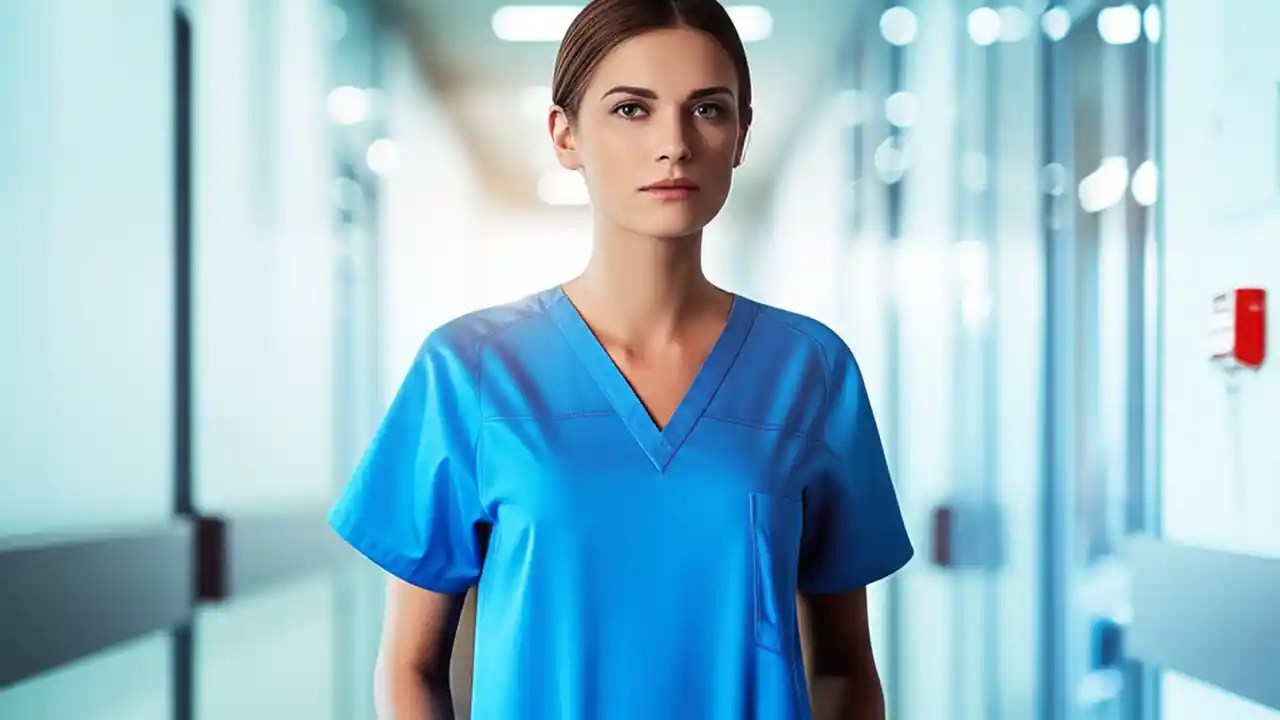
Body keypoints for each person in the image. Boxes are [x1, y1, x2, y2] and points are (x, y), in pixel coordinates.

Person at [326, 0, 913, 717]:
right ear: (564, 134)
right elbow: (410, 668)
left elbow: (846, 669)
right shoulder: (471, 370)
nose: (674, 144)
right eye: (632, 109)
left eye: (707, 109)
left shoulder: (810, 372)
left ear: (741, 135)